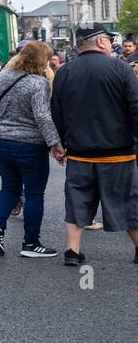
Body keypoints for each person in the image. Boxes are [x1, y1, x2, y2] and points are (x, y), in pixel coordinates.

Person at [50, 25, 138, 266]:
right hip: (118, 154)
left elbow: (56, 112)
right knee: (127, 200)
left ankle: (72, 250)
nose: (111, 45)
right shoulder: (122, 69)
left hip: (79, 152)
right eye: (109, 40)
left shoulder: (64, 72)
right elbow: (135, 109)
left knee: (77, 199)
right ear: (101, 42)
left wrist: (59, 144)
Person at [0, 40, 61, 258]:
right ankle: (31, 244)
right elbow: (43, 117)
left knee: (9, 188)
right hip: (30, 144)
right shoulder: (39, 83)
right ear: (43, 62)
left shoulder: (3, 77)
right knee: (34, 194)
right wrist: (55, 143)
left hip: (2, 141)